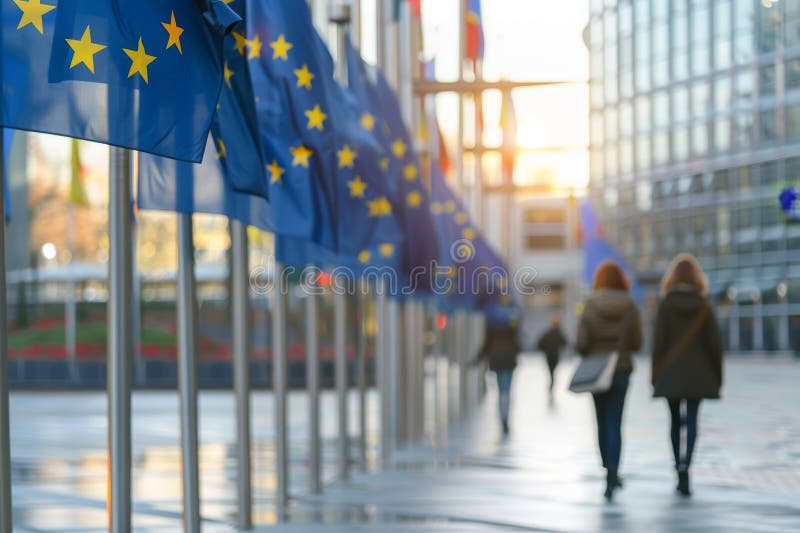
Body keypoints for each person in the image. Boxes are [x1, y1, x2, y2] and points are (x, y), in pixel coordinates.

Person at [652, 253, 723, 497]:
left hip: (671, 373)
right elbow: (714, 345)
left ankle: (677, 468)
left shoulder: (665, 304)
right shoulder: (704, 306)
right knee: (692, 421)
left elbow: (658, 344)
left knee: (674, 421)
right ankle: (687, 467)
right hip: (699, 374)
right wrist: (718, 377)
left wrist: (655, 375)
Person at [576, 260, 643, 501]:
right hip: (621, 368)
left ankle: (607, 471)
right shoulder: (630, 305)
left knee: (601, 421)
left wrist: (595, 349)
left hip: (596, 369)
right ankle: (614, 472)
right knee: (615, 421)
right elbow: (637, 342)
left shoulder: (590, 304)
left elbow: (581, 343)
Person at [476, 316, 521, 436]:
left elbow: (487, 344)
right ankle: (505, 417)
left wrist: (478, 358)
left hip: (497, 360)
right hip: (508, 360)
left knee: (502, 391)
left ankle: (503, 418)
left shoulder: (491, 323)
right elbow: (517, 342)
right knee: (506, 391)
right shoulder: (511, 322)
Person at [537, 316, 568, 394]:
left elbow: (539, 344)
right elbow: (565, 343)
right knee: (552, 375)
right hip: (555, 357)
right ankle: (551, 389)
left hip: (549, 357)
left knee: (551, 374)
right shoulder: (558, 334)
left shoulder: (548, 334)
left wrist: (545, 350)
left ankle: (551, 389)